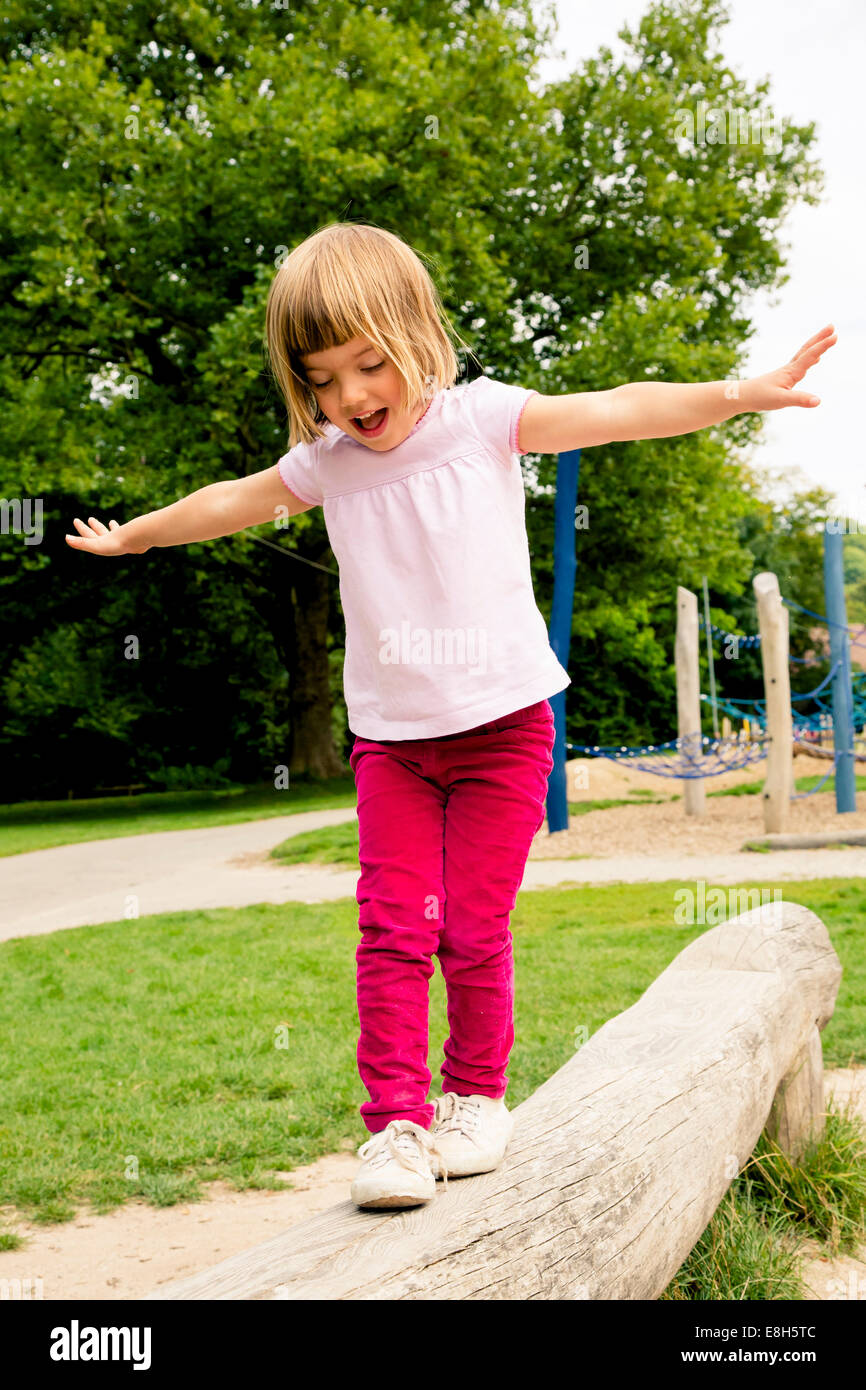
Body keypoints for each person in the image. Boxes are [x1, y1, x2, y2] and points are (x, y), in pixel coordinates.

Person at [66, 220, 836, 1211]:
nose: (348, 395)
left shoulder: (483, 419)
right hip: (392, 744)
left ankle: (474, 1096)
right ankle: (394, 1123)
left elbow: (619, 407)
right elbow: (230, 500)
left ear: (414, 331)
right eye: (320, 377)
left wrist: (742, 391)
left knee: (470, 927)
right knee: (391, 927)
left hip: (503, 728)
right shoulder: (326, 461)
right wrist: (141, 535)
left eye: (368, 363)